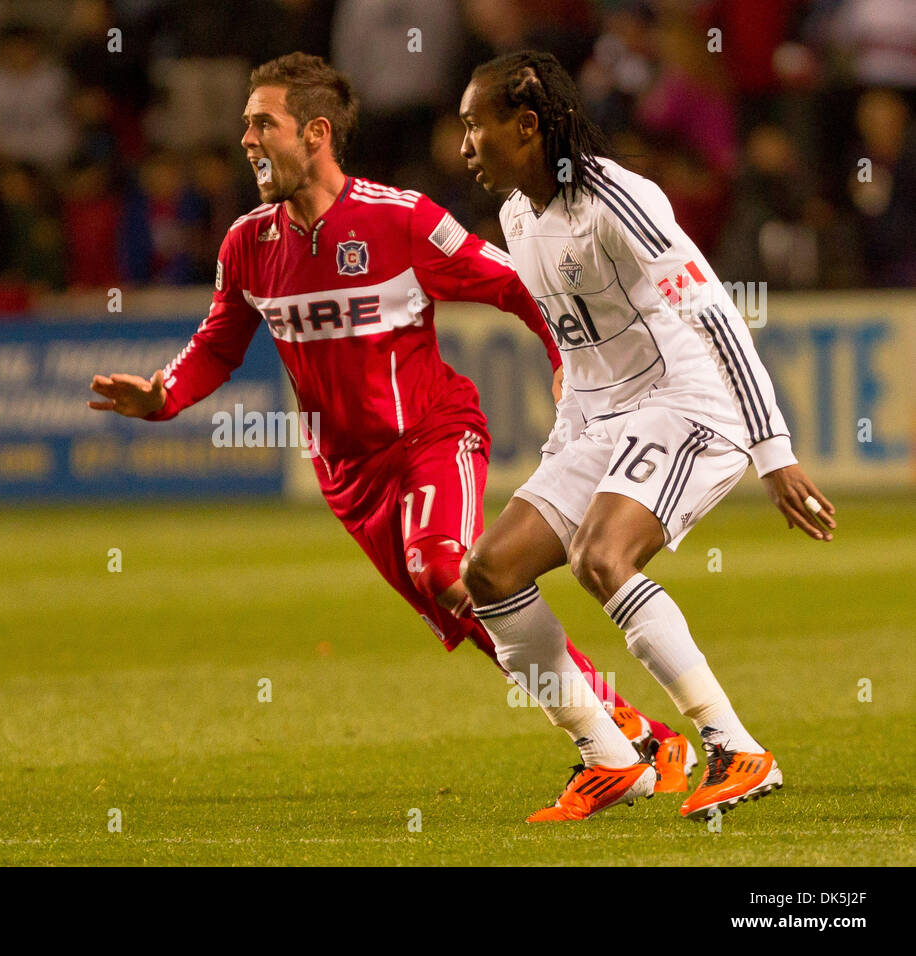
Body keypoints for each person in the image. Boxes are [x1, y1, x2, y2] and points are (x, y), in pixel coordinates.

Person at [89, 53, 693, 781]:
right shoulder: (248, 244)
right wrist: (163, 396)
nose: (246, 139)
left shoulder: (399, 220)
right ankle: (636, 729)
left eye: (261, 123)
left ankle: (612, 754)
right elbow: (218, 343)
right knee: (469, 612)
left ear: (314, 133)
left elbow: (516, 285)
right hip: (348, 476)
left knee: (444, 565)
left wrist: (565, 360)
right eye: (245, 125)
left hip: (434, 435)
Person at [455, 50, 836, 822]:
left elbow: (714, 314)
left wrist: (774, 451)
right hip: (599, 414)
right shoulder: (517, 216)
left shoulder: (618, 199)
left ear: (526, 126)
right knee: (489, 574)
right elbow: (574, 346)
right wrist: (567, 437)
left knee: (603, 556)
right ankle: (610, 758)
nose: (464, 145)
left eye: (475, 126)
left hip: (687, 400)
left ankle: (735, 748)